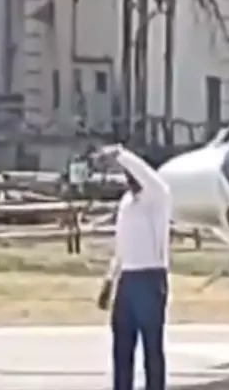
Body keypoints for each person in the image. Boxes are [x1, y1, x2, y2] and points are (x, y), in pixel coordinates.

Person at [95, 144, 173, 390]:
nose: (128, 179)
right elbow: (121, 245)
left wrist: (119, 153)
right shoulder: (127, 203)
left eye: (131, 174)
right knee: (122, 345)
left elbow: (148, 176)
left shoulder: (158, 196)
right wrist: (109, 280)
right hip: (127, 279)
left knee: (152, 346)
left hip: (150, 278)